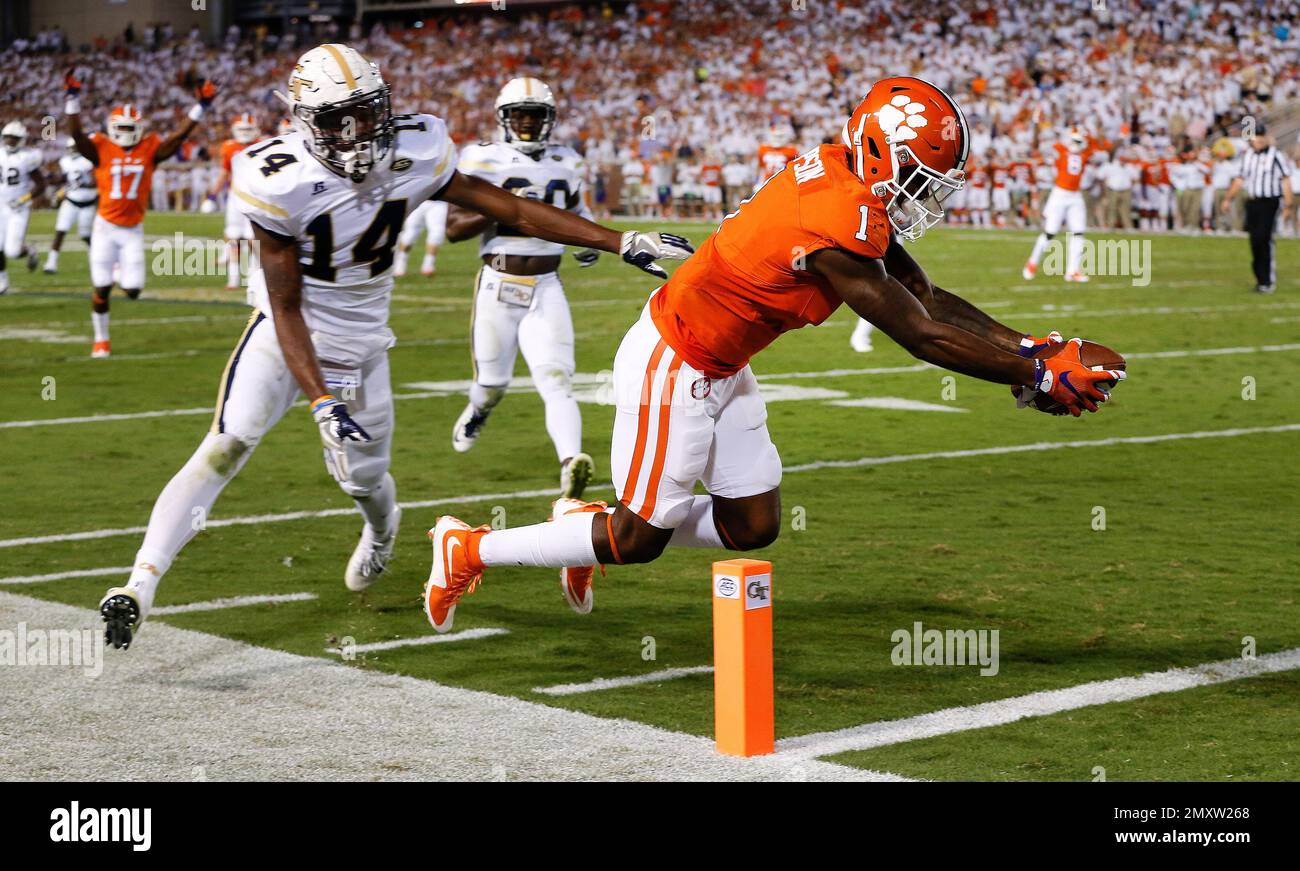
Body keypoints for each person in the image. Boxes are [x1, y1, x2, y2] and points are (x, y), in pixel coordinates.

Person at [422, 77, 1124, 633]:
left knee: (752, 525)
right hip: (678, 359)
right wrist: (1030, 373)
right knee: (638, 540)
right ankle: (471, 546)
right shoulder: (835, 219)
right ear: (881, 154)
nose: (925, 195)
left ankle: (581, 527)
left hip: (723, 363)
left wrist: (1027, 346)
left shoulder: (843, 178)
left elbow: (922, 295)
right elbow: (918, 334)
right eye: (918, 177)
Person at [98, 45, 692, 650]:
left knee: (365, 480)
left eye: (364, 113)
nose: (355, 134)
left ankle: (381, 535)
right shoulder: (278, 178)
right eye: (336, 120)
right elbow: (285, 307)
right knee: (226, 445)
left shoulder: (415, 150)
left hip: (362, 349)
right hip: (286, 341)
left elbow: (509, 207)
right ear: (305, 121)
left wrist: (619, 239)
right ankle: (139, 585)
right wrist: (319, 400)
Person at [443, 77, 601, 498]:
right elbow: (453, 228)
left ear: (549, 119)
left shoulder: (568, 160)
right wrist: (504, 204)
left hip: (547, 283)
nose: (528, 122)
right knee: (493, 385)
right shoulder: (480, 157)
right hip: (498, 284)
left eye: (536, 114)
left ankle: (571, 462)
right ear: (504, 118)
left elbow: (578, 209)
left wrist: (588, 245)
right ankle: (479, 409)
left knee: (556, 379)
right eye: (520, 114)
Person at [64, 70, 212, 357]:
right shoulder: (101, 148)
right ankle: (101, 340)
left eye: (133, 127)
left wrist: (201, 107)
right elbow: (76, 134)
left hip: (132, 229)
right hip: (105, 226)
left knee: (132, 290)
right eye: (124, 127)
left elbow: (179, 136)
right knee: (102, 287)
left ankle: (121, 273)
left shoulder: (149, 149)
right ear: (112, 127)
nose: (128, 133)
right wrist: (72, 98)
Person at [1022, 124, 1115, 283]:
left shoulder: (1085, 152)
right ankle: (1032, 262)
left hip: (1075, 195)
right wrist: (1037, 124)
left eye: (1079, 141)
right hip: (1060, 194)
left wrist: (1091, 135)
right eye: (1074, 141)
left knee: (1078, 232)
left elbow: (1107, 148)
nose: (1076, 145)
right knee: (1050, 233)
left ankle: (1072, 270)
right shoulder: (1059, 149)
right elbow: (1036, 146)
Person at [1221, 123, 1294, 293]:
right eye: (1256, 136)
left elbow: (1285, 179)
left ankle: (1268, 280)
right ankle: (1260, 279)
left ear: (1266, 137)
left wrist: (1288, 204)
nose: (1259, 139)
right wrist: (1227, 199)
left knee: (1264, 238)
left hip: (1269, 202)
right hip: (1253, 202)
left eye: (1262, 136)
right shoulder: (1248, 156)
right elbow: (1240, 179)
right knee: (1254, 241)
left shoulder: (1276, 155)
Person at [203, 113, 261, 289]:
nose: (244, 133)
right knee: (233, 239)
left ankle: (254, 275)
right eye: (241, 129)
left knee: (254, 240)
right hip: (235, 197)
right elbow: (224, 173)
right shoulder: (229, 147)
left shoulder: (262, 145)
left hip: (256, 198)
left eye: (247, 129)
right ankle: (234, 279)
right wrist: (212, 195)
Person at [0, 121, 45, 294]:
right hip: (0, 206)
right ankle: (3, 281)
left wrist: (23, 198)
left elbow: (41, 185)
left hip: (18, 209)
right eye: (8, 137)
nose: (10, 141)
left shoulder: (28, 157)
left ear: (21, 139)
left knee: (12, 251)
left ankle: (29, 250)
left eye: (14, 138)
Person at [44, 137, 97, 274]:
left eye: (75, 147)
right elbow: (63, 179)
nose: (72, 150)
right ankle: (51, 262)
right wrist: (52, 178)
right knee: (61, 231)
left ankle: (96, 258)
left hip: (87, 203)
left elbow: (98, 181)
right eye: (71, 148)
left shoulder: (89, 161)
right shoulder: (65, 161)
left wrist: (84, 184)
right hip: (71, 201)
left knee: (85, 235)